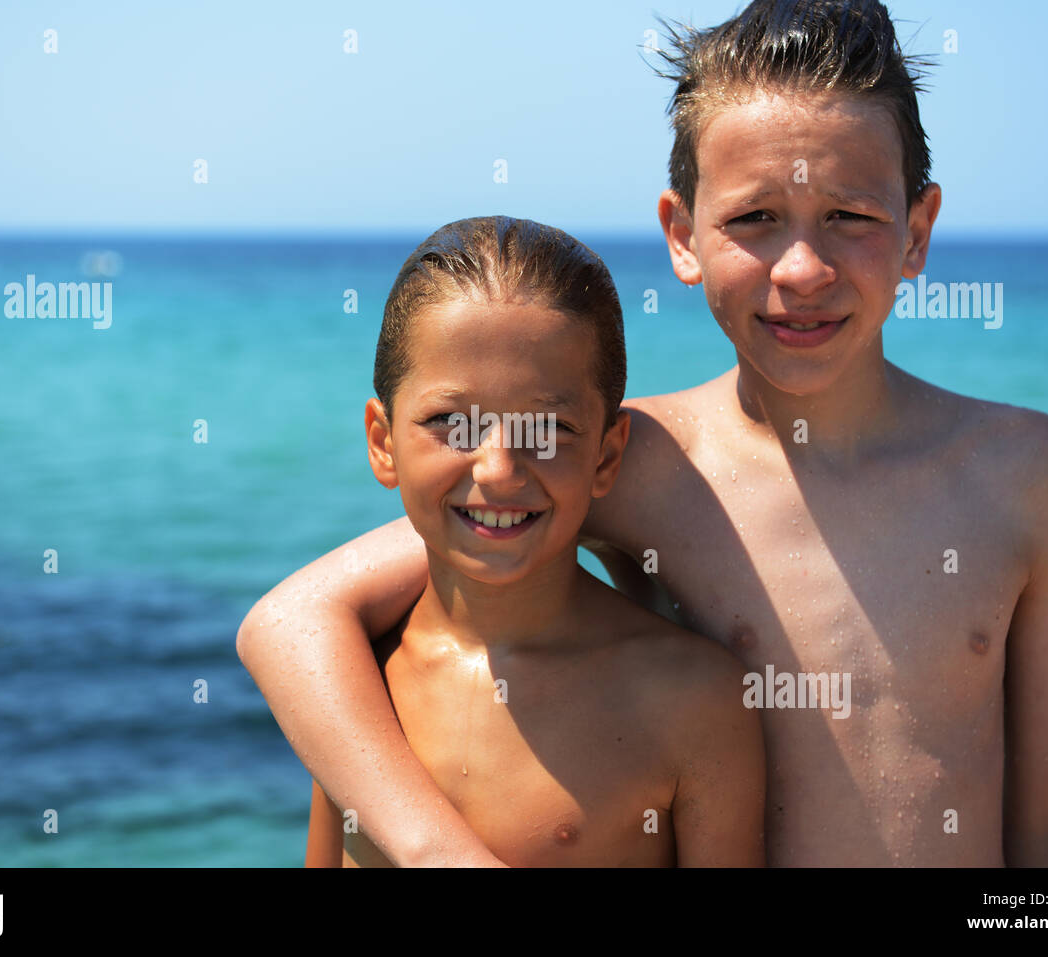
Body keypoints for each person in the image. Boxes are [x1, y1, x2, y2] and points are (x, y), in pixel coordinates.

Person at [239, 0, 1048, 866]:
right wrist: (435, 848)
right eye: (754, 218)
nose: (803, 268)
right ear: (682, 235)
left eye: (851, 216)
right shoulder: (635, 459)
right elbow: (290, 623)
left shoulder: (1032, 476)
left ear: (917, 231)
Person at [265, 216, 763, 867]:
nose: (498, 468)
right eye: (452, 422)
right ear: (383, 441)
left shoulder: (693, 698)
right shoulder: (357, 685)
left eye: (546, 428)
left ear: (607, 455)